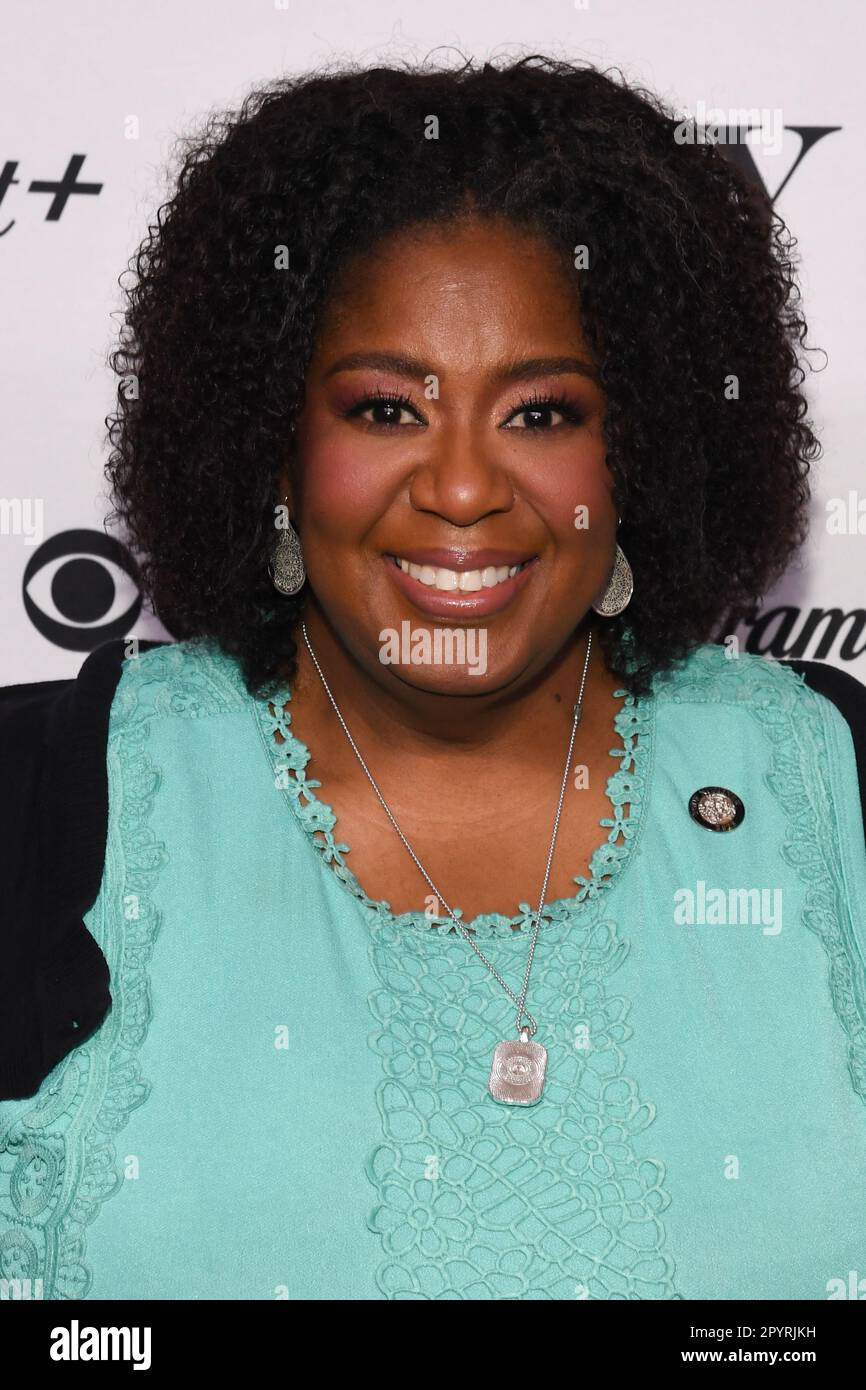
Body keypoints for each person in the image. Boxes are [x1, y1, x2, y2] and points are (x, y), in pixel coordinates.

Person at [2, 54, 866, 1302]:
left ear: (645, 451)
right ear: (273, 449)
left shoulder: (827, 785)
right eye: (385, 410)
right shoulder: (39, 799)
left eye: (541, 414)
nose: (462, 488)